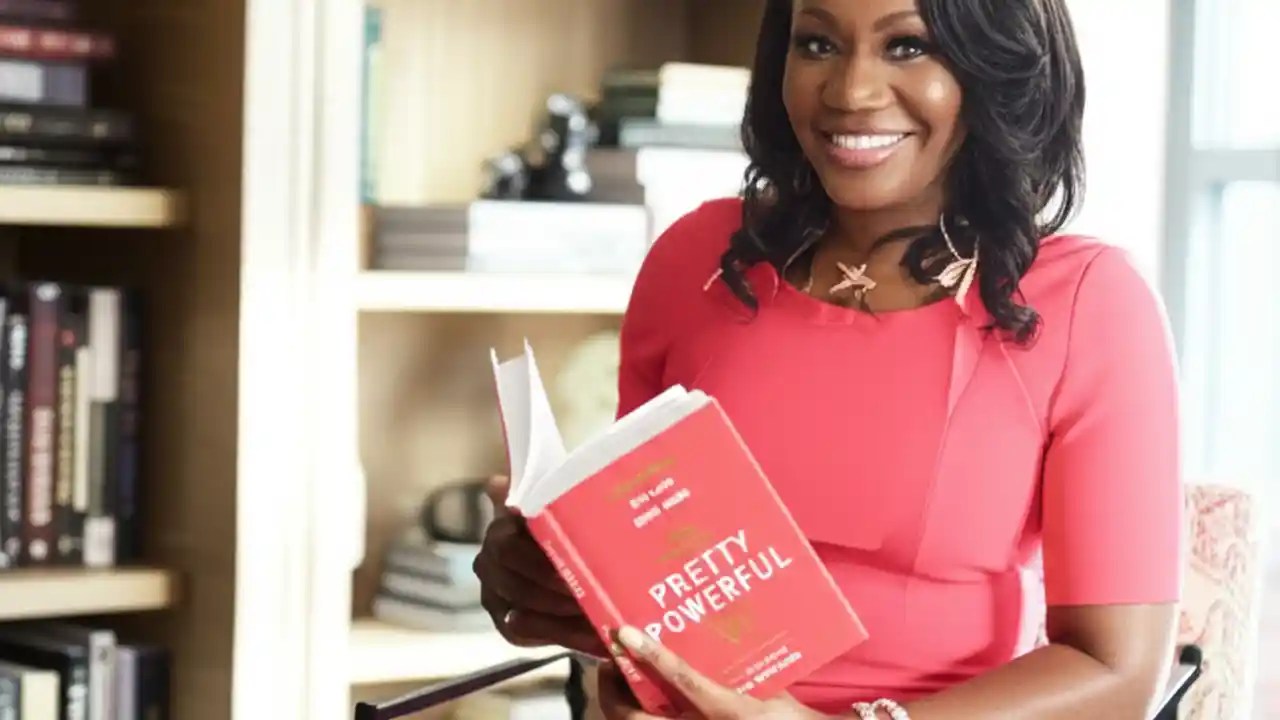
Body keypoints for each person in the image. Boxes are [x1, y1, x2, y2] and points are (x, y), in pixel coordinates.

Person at [472, 0, 1184, 717]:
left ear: (998, 62)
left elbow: (1115, 672)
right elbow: (661, 587)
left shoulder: (1091, 303)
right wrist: (546, 584)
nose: (850, 91)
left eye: (907, 47)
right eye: (816, 44)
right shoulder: (696, 261)